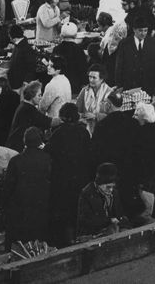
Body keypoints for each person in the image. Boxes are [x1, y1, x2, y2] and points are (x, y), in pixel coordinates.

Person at [44, 103, 94, 246]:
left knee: (65, 210)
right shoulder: (84, 132)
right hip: (81, 177)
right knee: (77, 209)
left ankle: (67, 240)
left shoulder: (59, 133)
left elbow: (48, 151)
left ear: (63, 117)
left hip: (64, 179)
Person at [92, 91, 143, 218]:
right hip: (131, 171)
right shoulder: (133, 123)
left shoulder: (101, 126)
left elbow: (96, 152)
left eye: (104, 103)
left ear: (109, 105)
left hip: (112, 173)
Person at [1, 127, 51, 245]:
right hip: (41, 203)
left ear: (24, 141)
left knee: (23, 239)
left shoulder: (15, 160)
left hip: (21, 205)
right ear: (40, 142)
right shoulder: (47, 158)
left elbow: (8, 187)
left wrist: (3, 205)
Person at [77, 163, 129, 238]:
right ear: (99, 183)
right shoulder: (87, 194)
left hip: (112, 229)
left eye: (112, 187)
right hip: (92, 234)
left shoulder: (114, 192)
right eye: (108, 187)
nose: (111, 190)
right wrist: (109, 221)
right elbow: (86, 221)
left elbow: (119, 213)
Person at [76, 65, 114, 134]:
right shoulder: (84, 90)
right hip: (86, 130)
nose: (91, 80)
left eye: (94, 78)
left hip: (103, 131)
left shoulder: (110, 93)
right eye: (90, 77)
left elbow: (112, 117)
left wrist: (96, 116)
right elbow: (77, 110)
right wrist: (82, 116)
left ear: (102, 79)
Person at [8, 25, 38, 89]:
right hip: (16, 82)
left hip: (21, 84)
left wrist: (26, 82)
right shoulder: (20, 44)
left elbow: (31, 67)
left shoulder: (25, 48)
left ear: (12, 37)